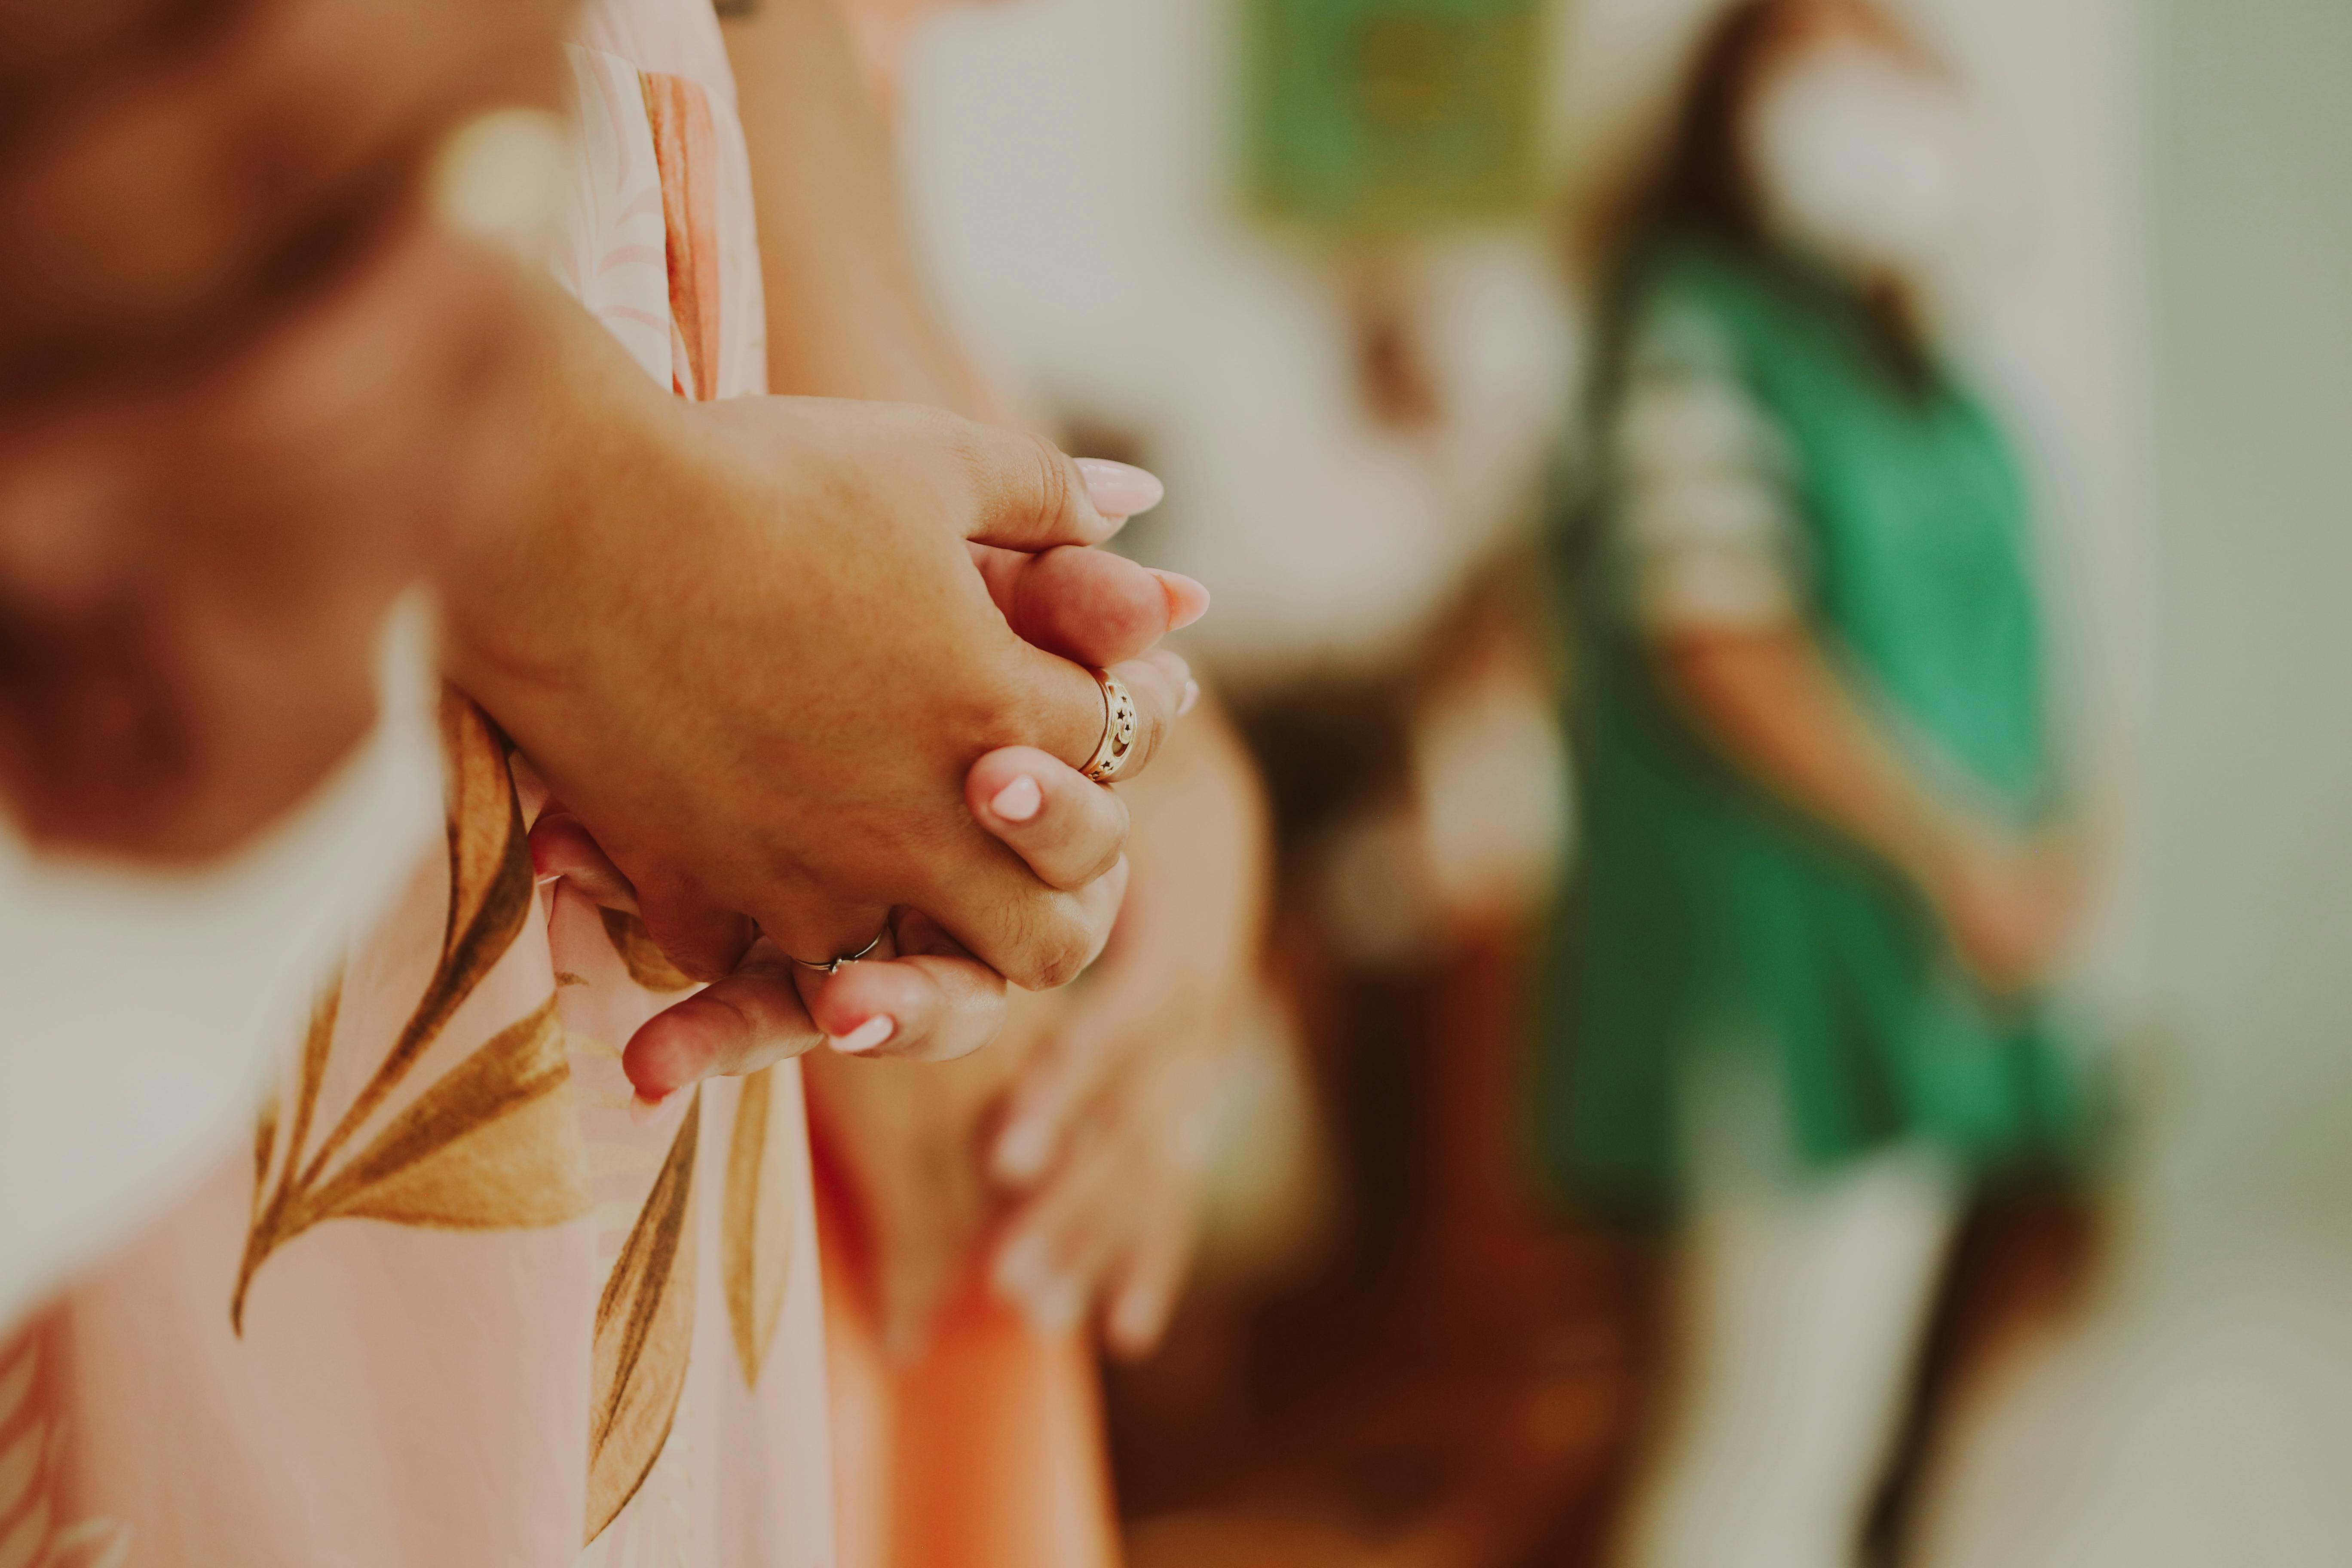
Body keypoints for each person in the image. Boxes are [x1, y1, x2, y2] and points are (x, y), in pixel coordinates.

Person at [1532, 3, 2093, 1565]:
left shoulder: (1916, 367)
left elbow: (2018, 637)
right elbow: (1721, 636)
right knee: (1761, 1449)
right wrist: (1951, 841)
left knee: (1886, 1449)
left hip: (1936, 966)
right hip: (1780, 970)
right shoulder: (1691, 329)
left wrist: (2050, 847)